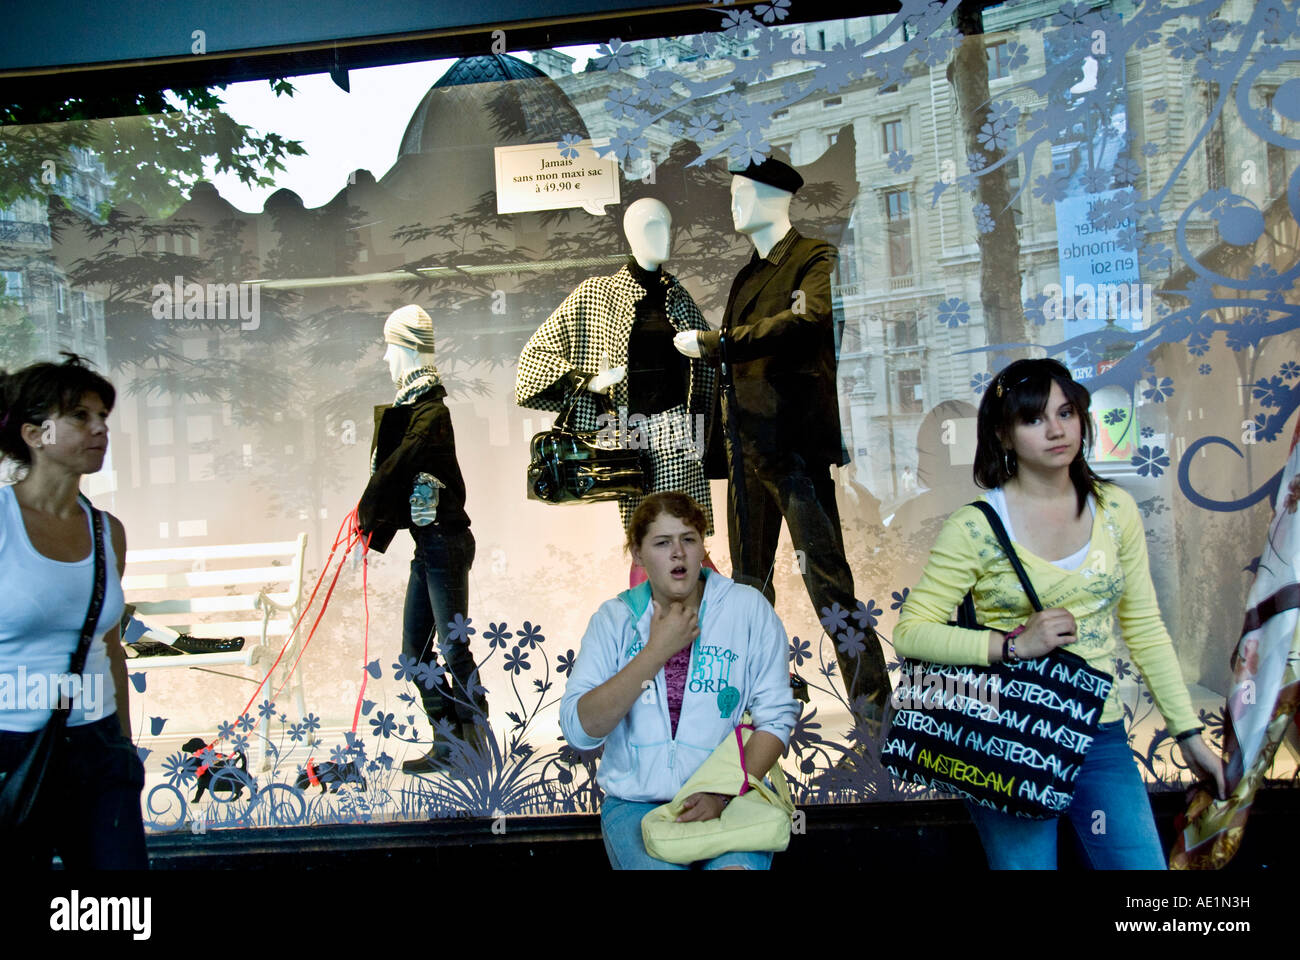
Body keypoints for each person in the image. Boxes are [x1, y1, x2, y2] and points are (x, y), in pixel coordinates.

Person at [894, 358, 1226, 869]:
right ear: (1004, 435)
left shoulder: (1116, 510)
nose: (1056, 430)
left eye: (1066, 412)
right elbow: (911, 633)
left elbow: (1144, 628)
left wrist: (1188, 734)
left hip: (1102, 734)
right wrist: (1009, 645)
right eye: (1034, 419)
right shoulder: (976, 527)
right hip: (1007, 734)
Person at [673, 156, 890, 726]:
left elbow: (806, 323)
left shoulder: (813, 257)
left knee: (827, 581)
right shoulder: (747, 275)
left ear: (773, 196)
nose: (732, 204)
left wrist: (719, 342)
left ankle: (875, 714)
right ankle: (765, 704)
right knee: (747, 590)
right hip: (747, 451)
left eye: (740, 193)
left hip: (793, 448)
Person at [560, 491, 800, 870]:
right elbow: (581, 730)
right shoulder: (613, 620)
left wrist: (721, 795)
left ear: (702, 548)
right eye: (662, 542)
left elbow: (775, 720)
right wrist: (656, 652)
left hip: (730, 798)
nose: (678, 553)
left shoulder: (748, 608)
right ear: (637, 554)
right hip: (636, 805)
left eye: (688, 539)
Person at [0, 353, 147, 869]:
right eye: (81, 417)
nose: (99, 429)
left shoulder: (108, 531)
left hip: (97, 746)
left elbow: (109, 646)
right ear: (35, 435)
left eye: (103, 417)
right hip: (11, 745)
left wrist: (125, 745)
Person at [516, 198, 716, 545]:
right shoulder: (597, 294)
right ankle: (667, 599)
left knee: (682, 537)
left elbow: (708, 367)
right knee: (650, 539)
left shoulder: (677, 296)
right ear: (631, 235)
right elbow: (536, 356)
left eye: (669, 227)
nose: (665, 237)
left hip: (679, 435)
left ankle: (698, 598)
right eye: (654, 227)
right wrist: (588, 380)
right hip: (629, 438)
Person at [357, 305, 487, 774]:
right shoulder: (418, 411)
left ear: (408, 348)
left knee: (452, 648)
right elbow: (400, 465)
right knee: (414, 656)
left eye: (390, 347)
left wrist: (367, 510)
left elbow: (400, 463)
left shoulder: (431, 414)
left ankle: (476, 744)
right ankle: (452, 740)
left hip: (446, 546)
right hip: (430, 548)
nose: (386, 359)